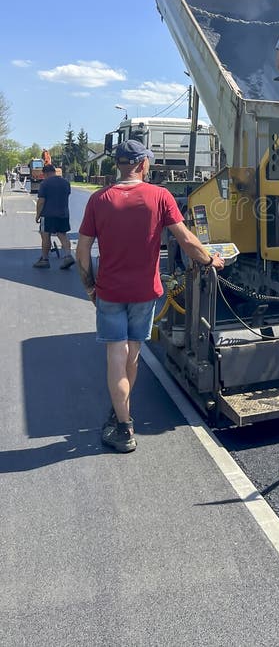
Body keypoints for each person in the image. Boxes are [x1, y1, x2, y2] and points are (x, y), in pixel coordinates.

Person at [76, 139, 227, 454]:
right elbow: (185, 238)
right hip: (145, 292)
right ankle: (123, 415)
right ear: (143, 164)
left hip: (110, 292)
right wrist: (210, 260)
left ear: (118, 164)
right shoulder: (160, 196)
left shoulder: (99, 199)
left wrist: (90, 286)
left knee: (115, 359)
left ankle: (123, 423)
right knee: (132, 356)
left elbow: (82, 249)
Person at [34, 163, 75, 269]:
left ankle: (44, 259)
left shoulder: (45, 183)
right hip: (63, 214)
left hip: (48, 215)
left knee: (45, 235)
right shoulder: (66, 183)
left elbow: (41, 201)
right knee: (63, 235)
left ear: (46, 173)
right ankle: (68, 256)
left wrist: (38, 215)